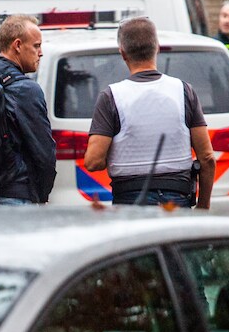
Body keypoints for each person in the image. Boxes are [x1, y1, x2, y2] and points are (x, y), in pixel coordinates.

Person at [82, 17, 217, 208]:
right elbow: (207, 158)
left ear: (123, 53)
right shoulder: (184, 91)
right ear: (157, 48)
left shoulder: (111, 97)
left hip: (130, 201)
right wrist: (203, 206)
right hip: (177, 198)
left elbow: (93, 162)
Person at [0, 15, 56, 205]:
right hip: (14, 196)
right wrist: (42, 194)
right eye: (37, 46)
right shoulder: (24, 89)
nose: (41, 53)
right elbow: (43, 152)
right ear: (18, 45)